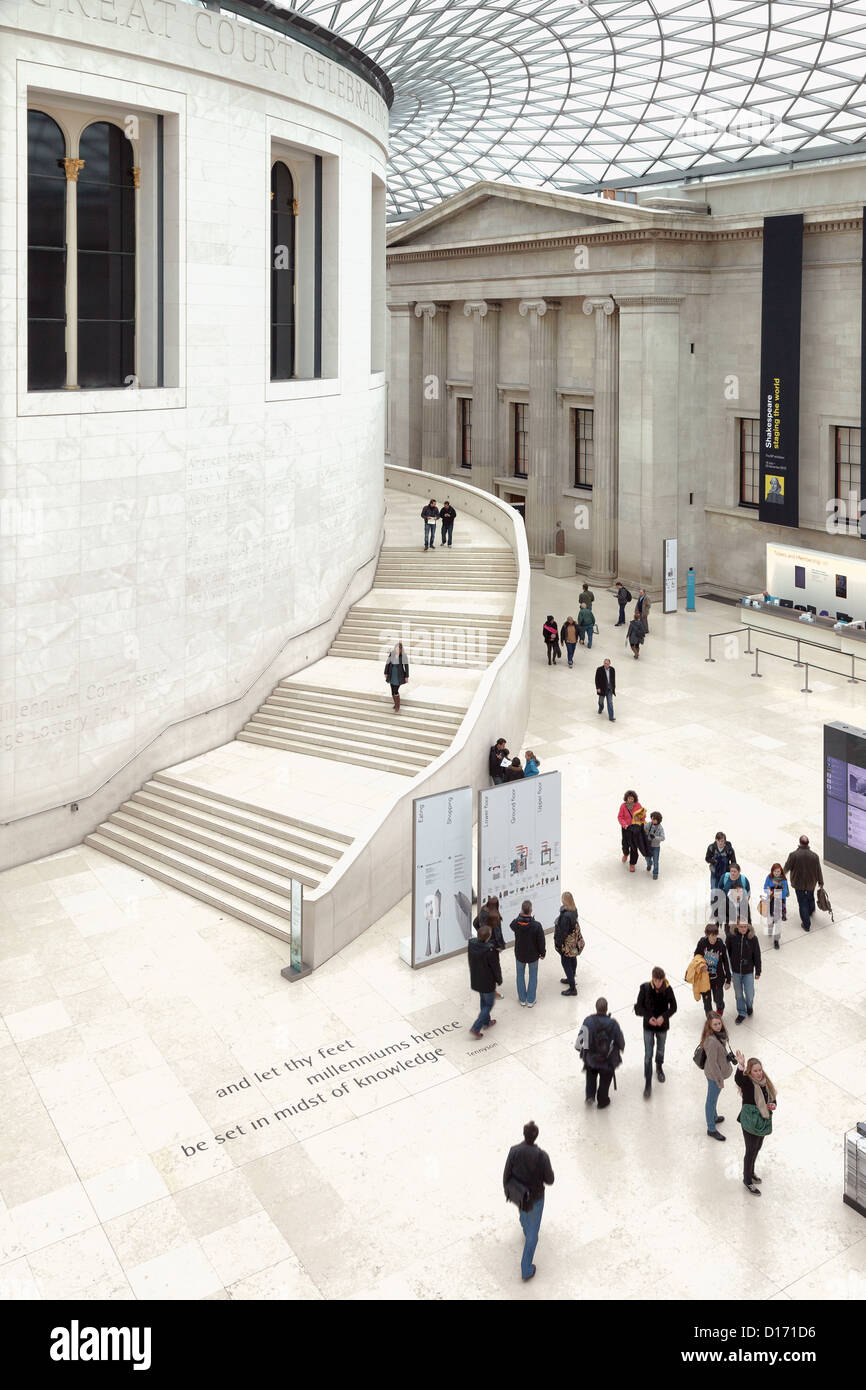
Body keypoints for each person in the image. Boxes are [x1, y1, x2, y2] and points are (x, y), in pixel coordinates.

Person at [502, 1121, 554, 1281]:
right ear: (536, 1136)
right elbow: (550, 1180)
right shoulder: (542, 1156)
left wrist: (509, 1190)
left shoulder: (514, 1151)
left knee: (523, 1213)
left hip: (519, 1194)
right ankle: (526, 1269)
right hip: (536, 1197)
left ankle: (525, 1227)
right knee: (533, 1236)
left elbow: (506, 1174)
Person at [734, 1052, 778, 1195]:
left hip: (762, 1120)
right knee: (750, 1149)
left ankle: (751, 1172)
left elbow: (772, 1098)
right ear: (750, 1072)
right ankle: (747, 1180)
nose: (758, 1073)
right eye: (755, 1071)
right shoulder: (747, 1082)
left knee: (757, 1147)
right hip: (749, 1121)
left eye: (760, 1070)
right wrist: (741, 1065)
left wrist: (772, 1105)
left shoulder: (765, 1083)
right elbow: (738, 1079)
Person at [634, 967, 677, 1098]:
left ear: (663, 979)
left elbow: (674, 1007)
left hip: (662, 1027)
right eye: (655, 980)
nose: (658, 983)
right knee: (648, 1055)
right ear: (652, 978)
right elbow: (638, 1008)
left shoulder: (668, 989)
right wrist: (649, 1018)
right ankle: (648, 1083)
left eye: (660, 981)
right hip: (648, 1026)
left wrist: (663, 1017)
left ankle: (659, 1067)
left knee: (660, 1049)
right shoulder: (645, 988)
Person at [579, 998, 625, 1109]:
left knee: (591, 1077)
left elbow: (579, 1041)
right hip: (608, 1062)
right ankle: (602, 1101)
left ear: (596, 1008)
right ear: (606, 1008)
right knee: (605, 1081)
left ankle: (590, 1096)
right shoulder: (613, 1024)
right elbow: (621, 1043)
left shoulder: (588, 1021)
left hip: (592, 1060)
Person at [701, 1012, 734, 1141]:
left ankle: (714, 1117)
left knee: (714, 1098)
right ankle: (711, 1128)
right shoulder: (711, 1041)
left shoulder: (719, 1036)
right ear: (709, 1025)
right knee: (711, 1100)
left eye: (719, 1023)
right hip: (714, 1075)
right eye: (715, 1024)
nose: (718, 1026)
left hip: (717, 1073)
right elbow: (712, 1063)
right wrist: (719, 1080)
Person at [783, 834, 825, 932]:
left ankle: (806, 925)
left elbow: (786, 868)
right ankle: (811, 911)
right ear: (808, 843)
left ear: (800, 843)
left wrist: (780, 876)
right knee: (810, 897)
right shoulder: (814, 856)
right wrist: (821, 882)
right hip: (811, 883)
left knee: (802, 903)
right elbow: (818, 870)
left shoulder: (794, 855)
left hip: (799, 884)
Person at [467, 923, 502, 1038]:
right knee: (488, 1004)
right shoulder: (490, 950)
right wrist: (499, 979)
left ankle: (487, 1022)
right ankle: (476, 1028)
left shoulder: (471, 944)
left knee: (483, 1001)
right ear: (488, 937)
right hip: (487, 982)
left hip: (476, 979)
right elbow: (495, 967)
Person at [725, 917, 761, 1025]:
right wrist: (728, 971)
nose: (744, 929)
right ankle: (741, 1012)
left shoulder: (753, 938)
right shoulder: (731, 937)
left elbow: (757, 955)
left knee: (749, 994)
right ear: (737, 926)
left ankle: (749, 1005)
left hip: (748, 971)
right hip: (736, 971)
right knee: (739, 994)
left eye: (745, 926)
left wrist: (758, 970)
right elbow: (727, 954)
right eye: (741, 927)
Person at [510, 899, 546, 1007]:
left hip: (520, 954)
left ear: (522, 910)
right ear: (531, 910)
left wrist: (520, 917)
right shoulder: (536, 925)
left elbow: (511, 925)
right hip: (533, 956)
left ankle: (522, 999)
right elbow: (541, 941)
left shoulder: (516, 923)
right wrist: (542, 953)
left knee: (520, 975)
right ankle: (531, 1000)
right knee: (533, 976)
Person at [694, 923, 731, 1015]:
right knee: (707, 1002)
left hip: (718, 979)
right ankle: (710, 1017)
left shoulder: (721, 945)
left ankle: (719, 1011)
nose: (714, 938)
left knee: (718, 999)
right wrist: (701, 965)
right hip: (705, 979)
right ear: (707, 935)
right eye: (711, 936)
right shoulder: (702, 943)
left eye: (715, 935)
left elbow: (726, 963)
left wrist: (728, 980)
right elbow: (696, 956)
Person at [553, 890, 582, 996]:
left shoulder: (565, 916)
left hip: (566, 944)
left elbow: (562, 933)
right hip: (573, 942)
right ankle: (572, 976)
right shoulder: (574, 910)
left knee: (566, 963)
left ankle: (572, 987)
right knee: (573, 958)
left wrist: (558, 943)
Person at [617, 789, 646, 870]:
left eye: (632, 798)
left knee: (634, 846)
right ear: (626, 798)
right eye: (629, 798)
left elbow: (643, 816)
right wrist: (625, 825)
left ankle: (632, 863)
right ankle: (625, 853)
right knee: (625, 844)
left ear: (634, 799)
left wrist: (640, 819)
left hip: (635, 829)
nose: (630, 800)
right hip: (626, 828)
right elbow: (620, 817)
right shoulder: (623, 806)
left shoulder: (638, 805)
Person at [762, 862, 788, 949]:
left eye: (778, 871)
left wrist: (774, 891)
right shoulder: (769, 878)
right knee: (770, 920)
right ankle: (770, 927)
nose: (777, 873)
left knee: (778, 923)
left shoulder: (783, 880)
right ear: (772, 871)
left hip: (779, 903)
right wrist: (769, 891)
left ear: (781, 872)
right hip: (770, 902)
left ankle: (776, 940)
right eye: (775, 871)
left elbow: (785, 893)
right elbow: (765, 887)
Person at [719, 863, 751, 927]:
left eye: (735, 871)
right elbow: (720, 888)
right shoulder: (725, 877)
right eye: (731, 871)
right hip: (727, 902)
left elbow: (748, 891)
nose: (733, 873)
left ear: (739, 872)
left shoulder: (743, 879)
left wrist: (746, 900)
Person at [384, 642, 409, 711]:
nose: (397, 650)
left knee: (396, 690)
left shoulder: (403, 655)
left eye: (398, 649)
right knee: (392, 690)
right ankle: (395, 704)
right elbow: (387, 663)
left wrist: (406, 676)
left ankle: (398, 706)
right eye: (396, 648)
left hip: (399, 675)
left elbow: (406, 666)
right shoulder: (392, 653)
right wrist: (385, 672)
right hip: (391, 673)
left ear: (401, 649)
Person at [644, 811, 665, 879]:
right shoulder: (649, 824)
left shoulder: (660, 828)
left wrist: (655, 837)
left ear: (658, 820)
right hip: (648, 845)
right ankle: (649, 864)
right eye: (652, 819)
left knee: (656, 861)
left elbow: (663, 838)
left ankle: (655, 873)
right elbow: (644, 829)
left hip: (656, 847)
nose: (652, 820)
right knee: (647, 857)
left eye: (654, 819)